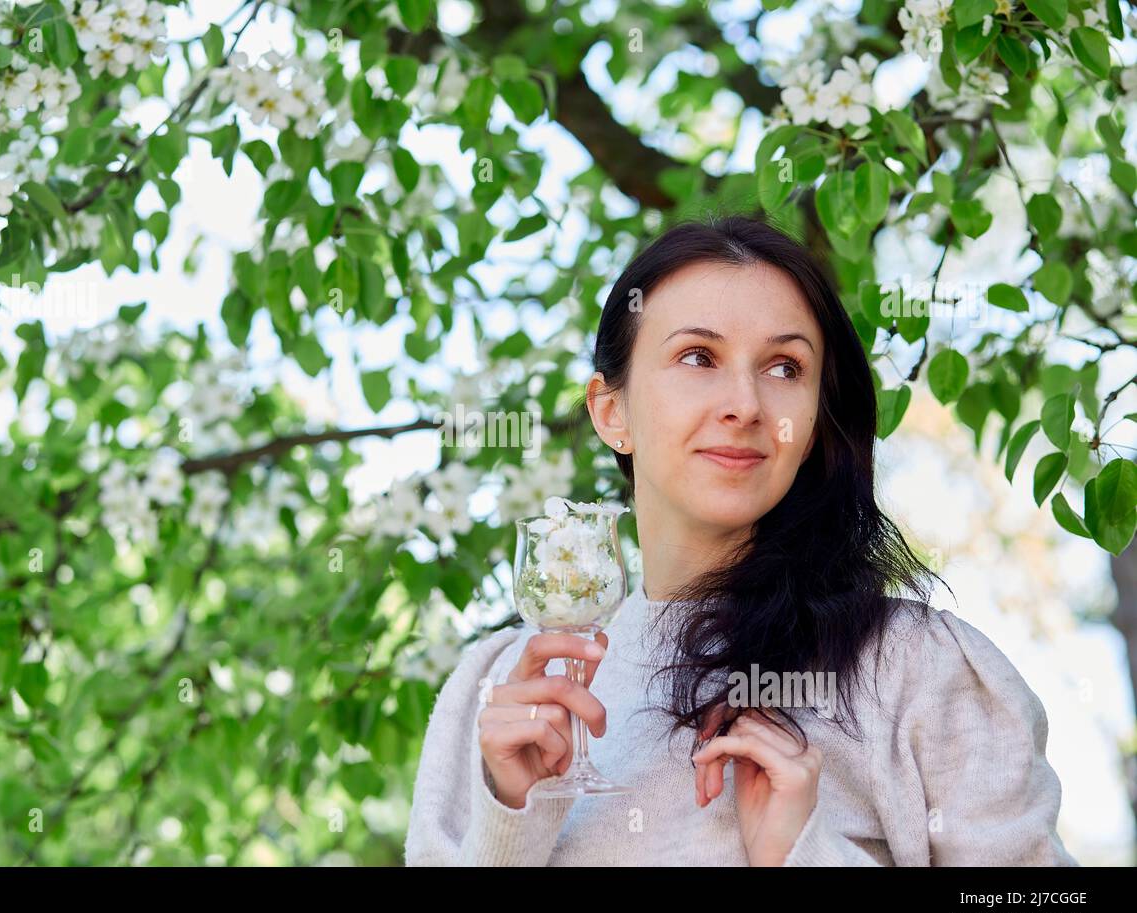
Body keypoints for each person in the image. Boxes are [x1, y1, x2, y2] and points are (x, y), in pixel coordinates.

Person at [404, 215, 1077, 866]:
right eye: (698, 356)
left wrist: (802, 857)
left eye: (785, 368)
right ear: (612, 413)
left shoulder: (915, 670)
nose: (746, 405)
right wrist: (509, 826)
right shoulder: (499, 689)